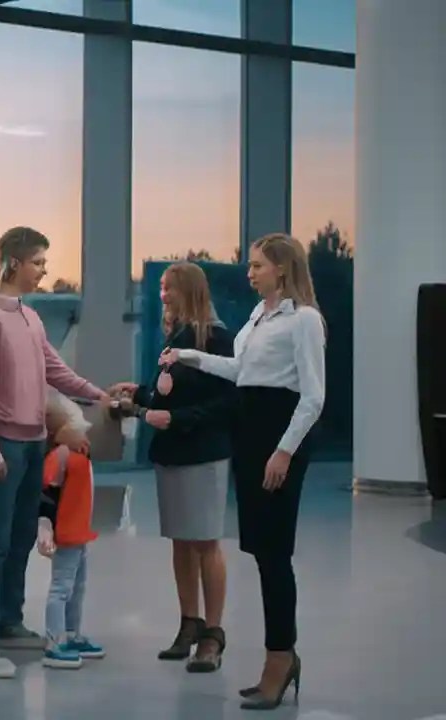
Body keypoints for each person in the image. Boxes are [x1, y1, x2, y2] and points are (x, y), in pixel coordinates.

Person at [160, 233, 325, 710]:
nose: (249, 272)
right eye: (250, 265)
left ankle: (280, 659)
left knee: (275, 555)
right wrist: (187, 356)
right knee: (261, 551)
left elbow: (313, 396)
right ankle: (279, 658)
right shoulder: (257, 317)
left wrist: (284, 452)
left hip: (278, 439)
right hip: (251, 438)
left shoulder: (305, 322)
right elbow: (241, 372)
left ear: (282, 269)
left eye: (257, 266)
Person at [0, 226, 132, 679]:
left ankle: (8, 622)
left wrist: (99, 396)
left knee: (19, 541)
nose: (43, 271)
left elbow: (56, 371)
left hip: (35, 444)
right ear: (14, 262)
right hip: (2, 446)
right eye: (38, 262)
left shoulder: (31, 319)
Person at [131, 262, 236, 673]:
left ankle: (213, 634)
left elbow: (227, 403)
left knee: (205, 541)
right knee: (180, 540)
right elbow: (167, 396)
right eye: (160, 287)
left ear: (189, 290)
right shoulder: (172, 340)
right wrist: (137, 394)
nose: (163, 294)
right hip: (171, 454)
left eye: (169, 287)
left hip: (204, 454)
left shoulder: (218, 339)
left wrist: (179, 420)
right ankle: (188, 624)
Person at [36, 390, 105, 670]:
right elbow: (47, 497)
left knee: (77, 586)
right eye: (80, 431)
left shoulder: (79, 454)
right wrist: (45, 527)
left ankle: (72, 633)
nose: (86, 437)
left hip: (79, 533)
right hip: (66, 534)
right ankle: (55, 641)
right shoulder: (60, 458)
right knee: (61, 588)